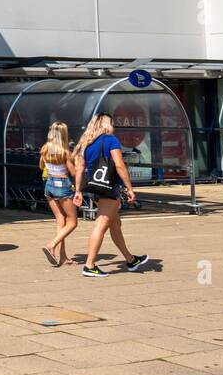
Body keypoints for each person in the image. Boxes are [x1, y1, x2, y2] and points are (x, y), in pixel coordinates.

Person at [71, 113, 149, 278]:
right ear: (108, 125)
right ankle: (89, 265)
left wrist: (78, 191)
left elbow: (79, 168)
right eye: (112, 123)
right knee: (101, 225)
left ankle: (130, 259)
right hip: (109, 188)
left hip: (95, 188)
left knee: (115, 225)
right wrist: (129, 188)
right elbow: (119, 165)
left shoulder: (87, 143)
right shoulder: (111, 140)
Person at [40, 121, 79, 267]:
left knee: (60, 220)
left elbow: (41, 165)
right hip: (62, 185)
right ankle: (52, 245)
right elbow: (73, 172)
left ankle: (62, 257)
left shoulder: (45, 149)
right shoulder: (65, 152)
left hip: (49, 184)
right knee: (73, 222)